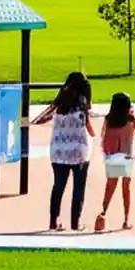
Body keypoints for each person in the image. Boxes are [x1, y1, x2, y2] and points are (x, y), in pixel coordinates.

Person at [47, 72, 94, 231]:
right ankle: (76, 221)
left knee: (58, 185)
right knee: (78, 187)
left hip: (58, 150)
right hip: (78, 151)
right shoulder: (82, 108)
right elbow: (90, 130)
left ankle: (54, 220)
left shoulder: (60, 107)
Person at [96, 92, 135, 231]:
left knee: (110, 187)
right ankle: (126, 220)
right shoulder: (131, 119)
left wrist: (106, 154)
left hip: (112, 156)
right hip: (128, 157)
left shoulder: (109, 120)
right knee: (126, 189)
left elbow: (103, 138)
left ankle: (103, 212)